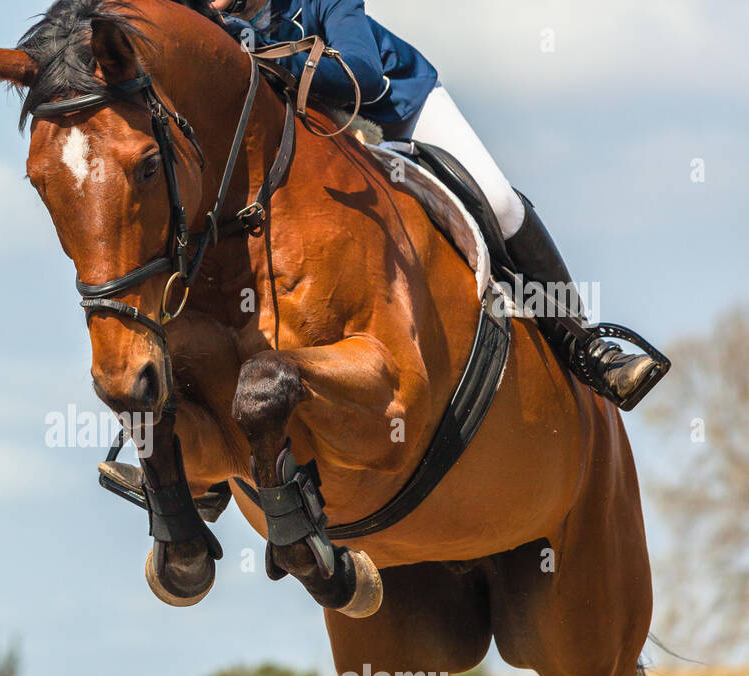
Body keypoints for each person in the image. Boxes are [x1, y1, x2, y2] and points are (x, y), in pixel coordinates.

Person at [209, 0, 662, 409]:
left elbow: (362, 73)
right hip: (315, 146)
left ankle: (589, 349)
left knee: (500, 203)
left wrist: (263, 49)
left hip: (396, 111)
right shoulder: (200, 20)